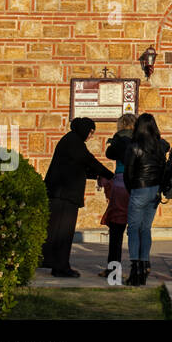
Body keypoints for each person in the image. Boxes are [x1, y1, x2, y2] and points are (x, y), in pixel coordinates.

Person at [40, 117, 114, 277]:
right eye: (91, 132)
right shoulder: (74, 142)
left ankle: (57, 264)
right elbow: (89, 161)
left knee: (58, 232)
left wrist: (99, 176)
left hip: (61, 195)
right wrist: (109, 175)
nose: (91, 136)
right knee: (63, 233)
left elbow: (80, 166)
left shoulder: (71, 141)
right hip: (63, 195)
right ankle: (60, 267)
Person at [123, 113, 170, 287]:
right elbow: (165, 160)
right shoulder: (159, 146)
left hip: (139, 188)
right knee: (146, 228)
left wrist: (131, 189)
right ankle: (144, 264)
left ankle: (135, 268)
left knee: (134, 229)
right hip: (155, 190)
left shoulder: (134, 146)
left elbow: (128, 172)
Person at [99, 114, 135, 279]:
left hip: (120, 183)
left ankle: (113, 270)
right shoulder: (140, 139)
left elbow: (109, 154)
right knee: (137, 230)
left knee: (116, 230)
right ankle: (139, 268)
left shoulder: (119, 138)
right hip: (137, 185)